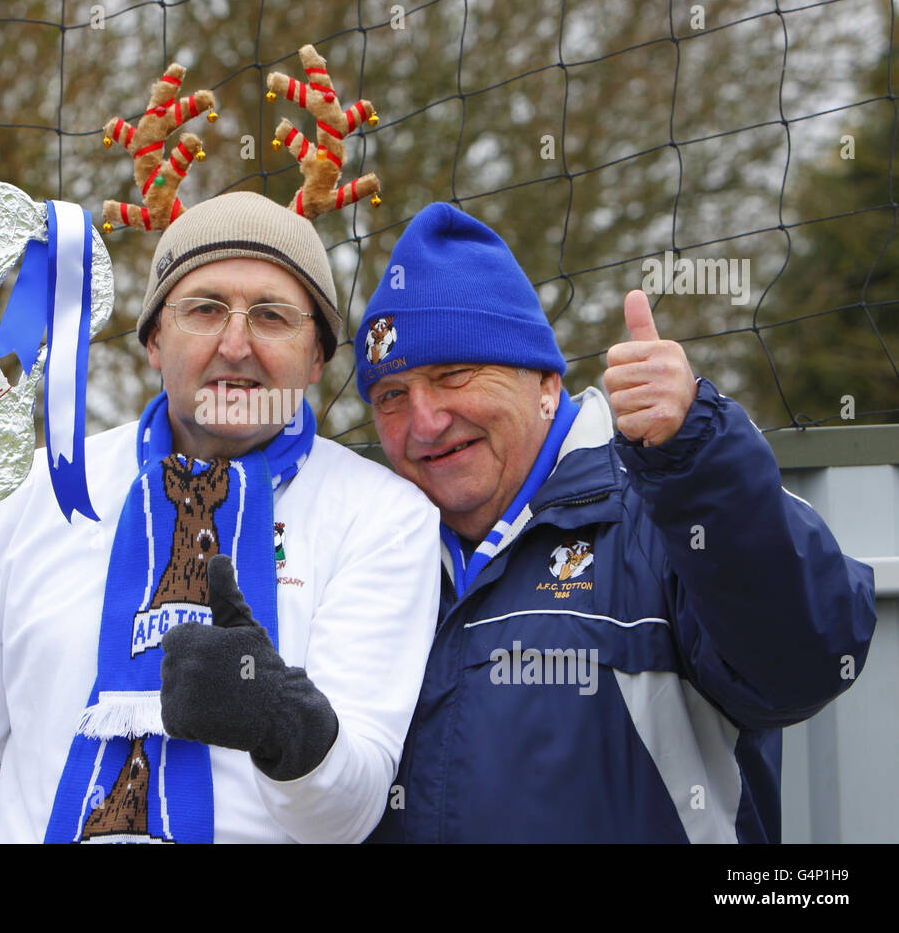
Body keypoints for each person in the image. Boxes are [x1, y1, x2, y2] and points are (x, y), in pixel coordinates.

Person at [0, 192, 440, 843]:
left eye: (271, 316)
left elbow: (346, 818)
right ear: (154, 339)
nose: (235, 345)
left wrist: (279, 719)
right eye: (204, 310)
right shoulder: (27, 494)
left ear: (317, 358)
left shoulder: (384, 517)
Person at [357, 202, 877, 843]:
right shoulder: (367, 550)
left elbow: (807, 661)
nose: (425, 422)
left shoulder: (673, 507)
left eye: (454, 375)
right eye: (391, 397)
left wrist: (696, 453)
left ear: (544, 381)